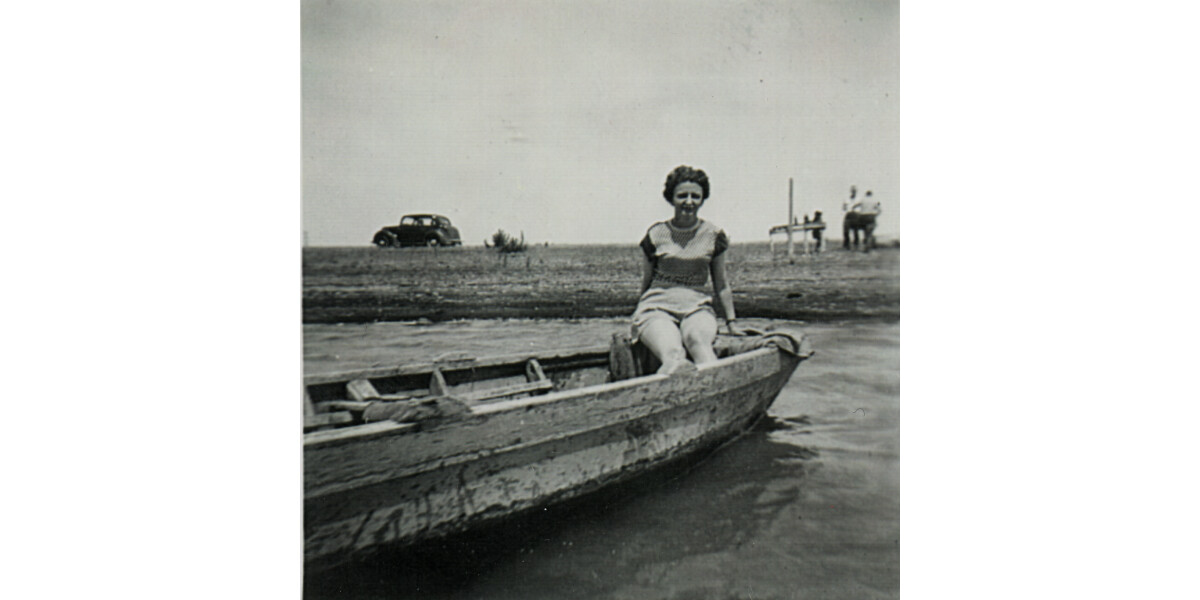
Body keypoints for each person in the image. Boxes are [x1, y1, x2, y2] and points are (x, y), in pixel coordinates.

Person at [631, 165, 742, 375]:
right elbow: (646, 281)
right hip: (657, 308)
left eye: (695, 196)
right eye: (682, 195)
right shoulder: (656, 234)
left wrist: (732, 323)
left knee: (699, 343)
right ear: (671, 198)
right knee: (673, 355)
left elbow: (721, 284)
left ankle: (715, 397)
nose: (689, 201)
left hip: (696, 307)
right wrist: (638, 314)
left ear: (702, 199)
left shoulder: (714, 235)